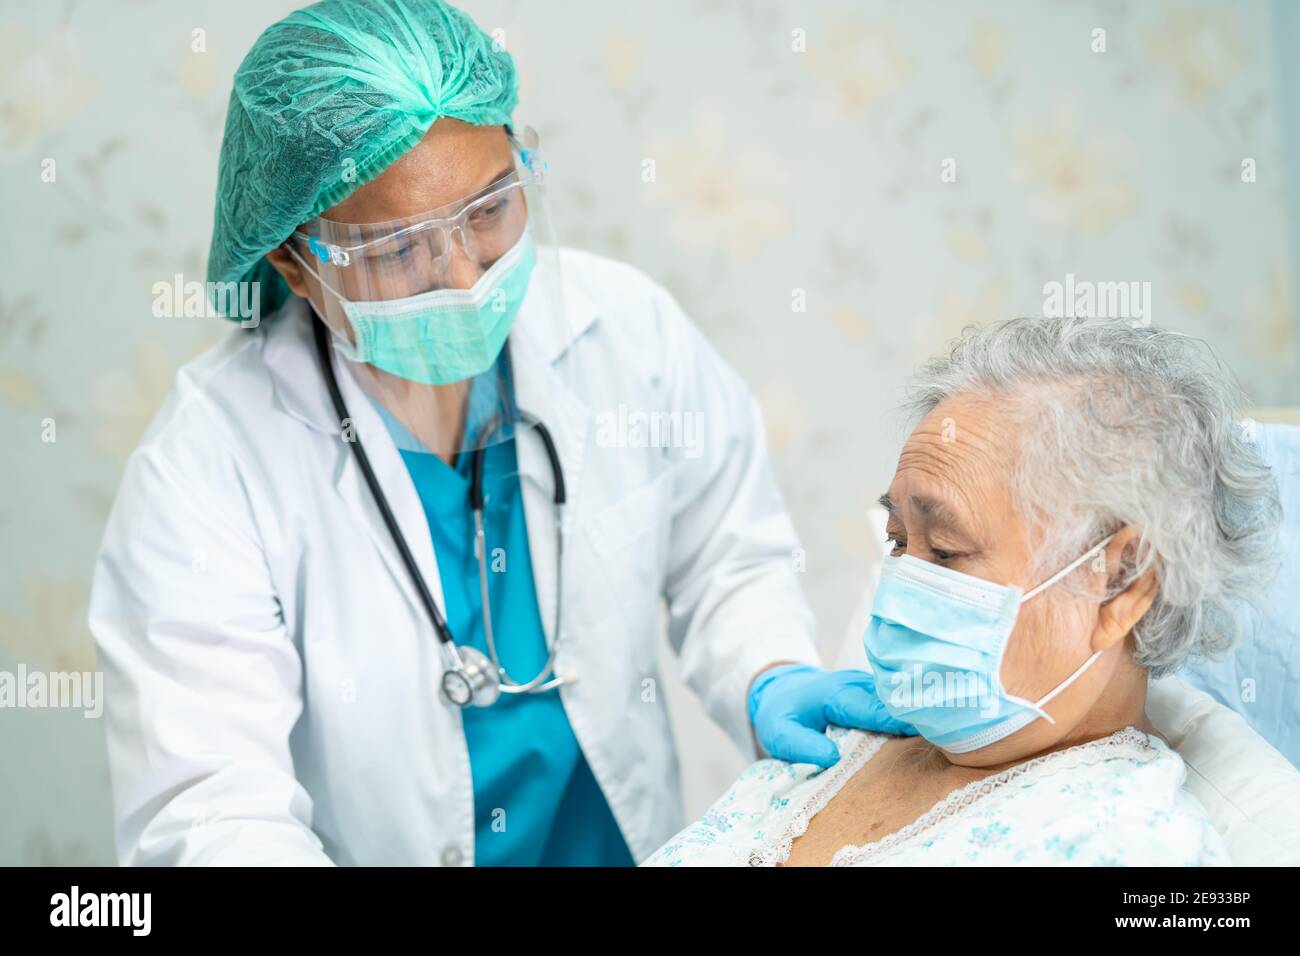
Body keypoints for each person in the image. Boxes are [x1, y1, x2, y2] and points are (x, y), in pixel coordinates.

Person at [88, 0, 905, 867]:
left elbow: (725, 558)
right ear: (293, 258)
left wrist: (767, 671)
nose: (467, 274)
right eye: (402, 248)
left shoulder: (626, 332)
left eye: (490, 209)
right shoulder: (206, 467)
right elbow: (212, 813)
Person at [645, 317, 1279, 866]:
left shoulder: (1125, 843)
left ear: (1122, 581)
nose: (902, 585)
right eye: (898, 542)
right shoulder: (840, 749)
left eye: (945, 552)